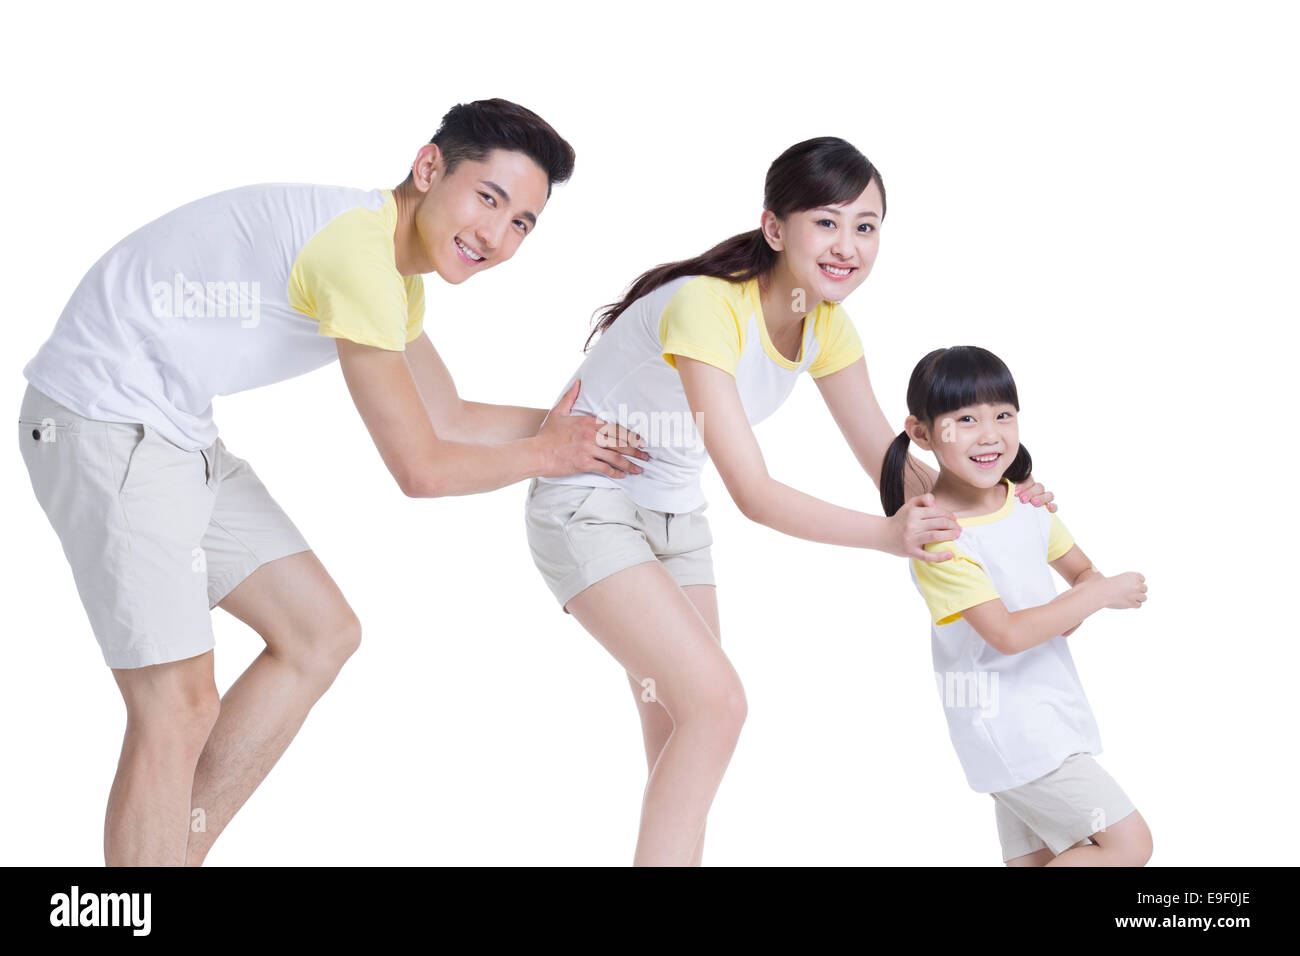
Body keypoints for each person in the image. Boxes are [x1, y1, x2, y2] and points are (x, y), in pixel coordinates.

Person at [17, 98, 647, 866]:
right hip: (101, 424)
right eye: (488, 198)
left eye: (522, 222)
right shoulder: (357, 258)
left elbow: (444, 414)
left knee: (319, 634)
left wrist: (590, 432)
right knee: (175, 709)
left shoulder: (392, 268)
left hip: (174, 429)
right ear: (428, 168)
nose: (495, 235)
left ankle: (171, 858)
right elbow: (421, 467)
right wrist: (552, 456)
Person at [524, 137, 1058, 865]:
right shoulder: (706, 306)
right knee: (716, 708)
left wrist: (1001, 499)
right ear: (776, 228)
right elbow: (754, 492)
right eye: (827, 223)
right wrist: (887, 535)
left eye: (866, 227)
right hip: (587, 504)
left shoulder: (827, 325)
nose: (849, 246)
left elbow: (888, 459)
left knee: (685, 734)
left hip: (675, 517)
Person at [884, 345, 1152, 866]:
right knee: (1127, 844)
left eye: (1003, 415)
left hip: (1050, 712)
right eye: (965, 419)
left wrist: (1085, 597)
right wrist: (1092, 598)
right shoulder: (940, 536)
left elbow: (1081, 574)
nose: (989, 434)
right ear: (920, 433)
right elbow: (1005, 633)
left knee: (1041, 860)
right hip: (1009, 726)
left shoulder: (1026, 505)